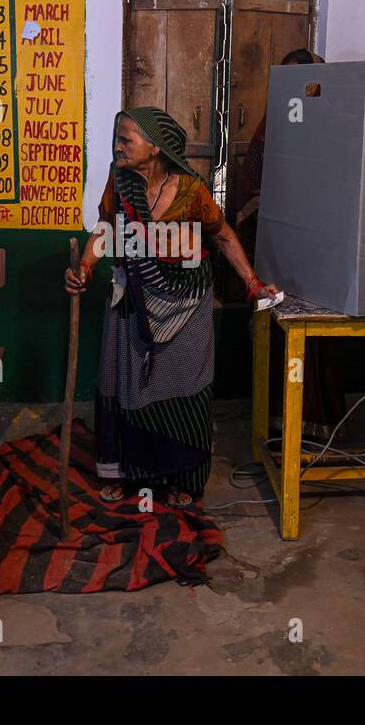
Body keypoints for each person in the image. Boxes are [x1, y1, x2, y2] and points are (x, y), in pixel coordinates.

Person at [67, 106, 280, 507]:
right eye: (116, 138)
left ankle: (181, 476)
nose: (117, 146)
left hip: (187, 303)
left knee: (182, 386)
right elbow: (105, 227)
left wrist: (252, 284)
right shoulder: (120, 182)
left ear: (155, 147)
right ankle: (128, 472)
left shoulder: (192, 191)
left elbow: (223, 236)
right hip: (133, 299)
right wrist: (85, 267)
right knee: (126, 385)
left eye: (125, 139)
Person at [228, 48, 344, 440]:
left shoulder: (336, 129)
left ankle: (317, 423)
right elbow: (252, 192)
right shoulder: (272, 128)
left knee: (319, 335)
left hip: (323, 252)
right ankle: (277, 423)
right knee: (278, 329)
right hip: (279, 248)